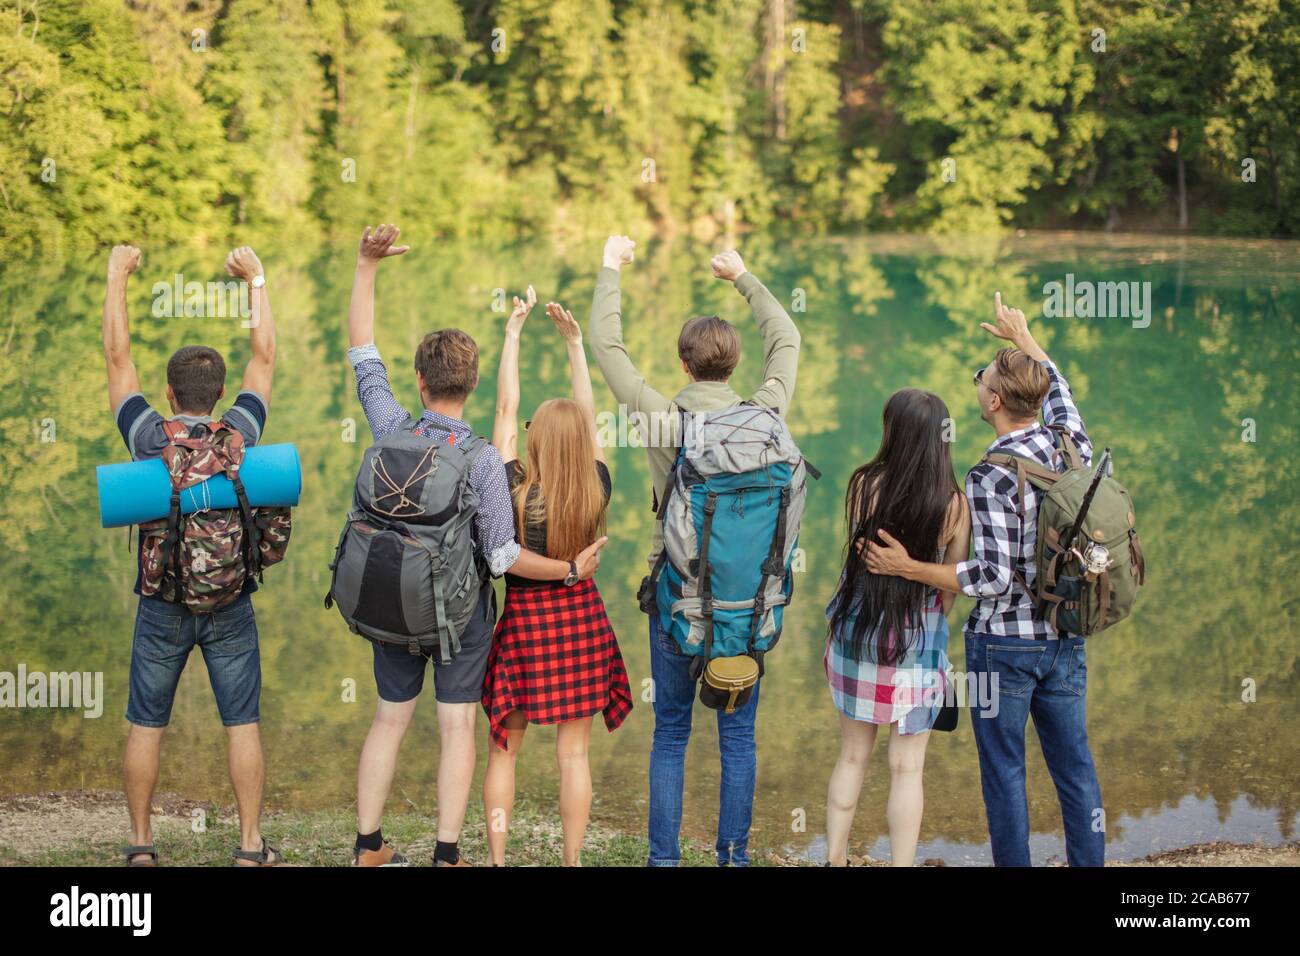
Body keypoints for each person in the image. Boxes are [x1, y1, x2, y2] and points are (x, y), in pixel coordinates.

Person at [344, 225, 607, 868]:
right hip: (458, 622)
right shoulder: (485, 461)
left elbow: (360, 351)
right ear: (472, 382)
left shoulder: (389, 425)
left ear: (419, 378)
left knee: (387, 720)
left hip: (387, 604)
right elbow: (500, 558)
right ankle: (445, 851)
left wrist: (366, 266)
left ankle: (369, 845)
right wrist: (570, 569)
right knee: (458, 726)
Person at [866, 293, 1104, 867]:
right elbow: (1061, 389)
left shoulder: (989, 474)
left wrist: (908, 568)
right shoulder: (1071, 444)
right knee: (1074, 766)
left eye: (984, 375)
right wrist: (1024, 342)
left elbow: (990, 577)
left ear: (993, 401)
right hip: (1066, 632)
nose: (978, 380)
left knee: (1004, 773)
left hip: (1006, 645)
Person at [587, 235, 801, 867]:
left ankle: (665, 861)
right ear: (734, 366)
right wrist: (743, 275)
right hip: (751, 609)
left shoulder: (664, 420)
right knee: (738, 736)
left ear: (684, 366)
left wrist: (610, 266)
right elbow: (786, 339)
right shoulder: (768, 415)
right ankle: (732, 858)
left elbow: (608, 349)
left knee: (672, 733)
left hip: (679, 603)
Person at [103, 243, 282, 866]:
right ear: (222, 391)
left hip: (162, 603)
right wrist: (255, 277)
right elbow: (266, 353)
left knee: (146, 722)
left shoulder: (150, 439)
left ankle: (142, 848)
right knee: (242, 723)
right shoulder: (240, 435)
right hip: (232, 601)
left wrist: (117, 276)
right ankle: (250, 847)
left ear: (169, 392)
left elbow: (116, 357)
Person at [480, 295, 633, 867]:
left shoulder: (512, 486)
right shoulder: (597, 483)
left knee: (504, 750)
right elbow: (589, 420)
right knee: (574, 756)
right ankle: (571, 862)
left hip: (525, 628)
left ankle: (498, 861)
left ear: (535, 440)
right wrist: (575, 345)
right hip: (581, 622)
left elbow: (502, 409)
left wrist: (513, 336)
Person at [823, 389, 970, 867]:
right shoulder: (953, 505)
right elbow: (952, 585)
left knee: (851, 758)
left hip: (857, 634)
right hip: (915, 644)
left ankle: (835, 858)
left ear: (893, 432)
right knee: (907, 768)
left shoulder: (865, 484)